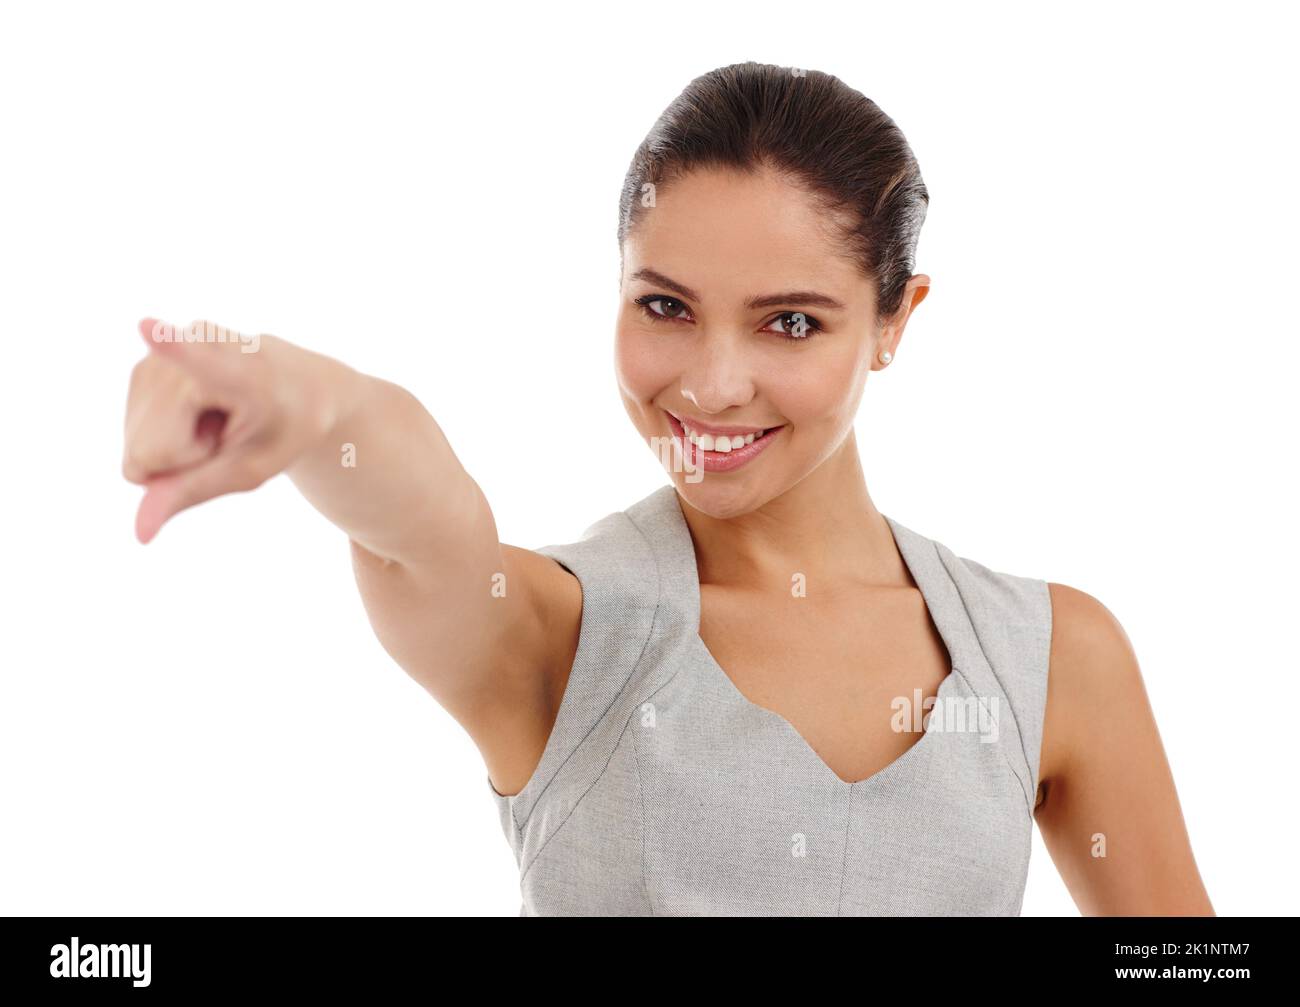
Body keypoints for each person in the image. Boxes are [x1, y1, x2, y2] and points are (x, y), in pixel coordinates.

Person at [120, 61, 1214, 916]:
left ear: (895, 320)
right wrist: (323, 413)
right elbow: (430, 526)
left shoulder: (1051, 655)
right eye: (664, 306)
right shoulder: (556, 637)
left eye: (790, 321)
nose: (711, 383)